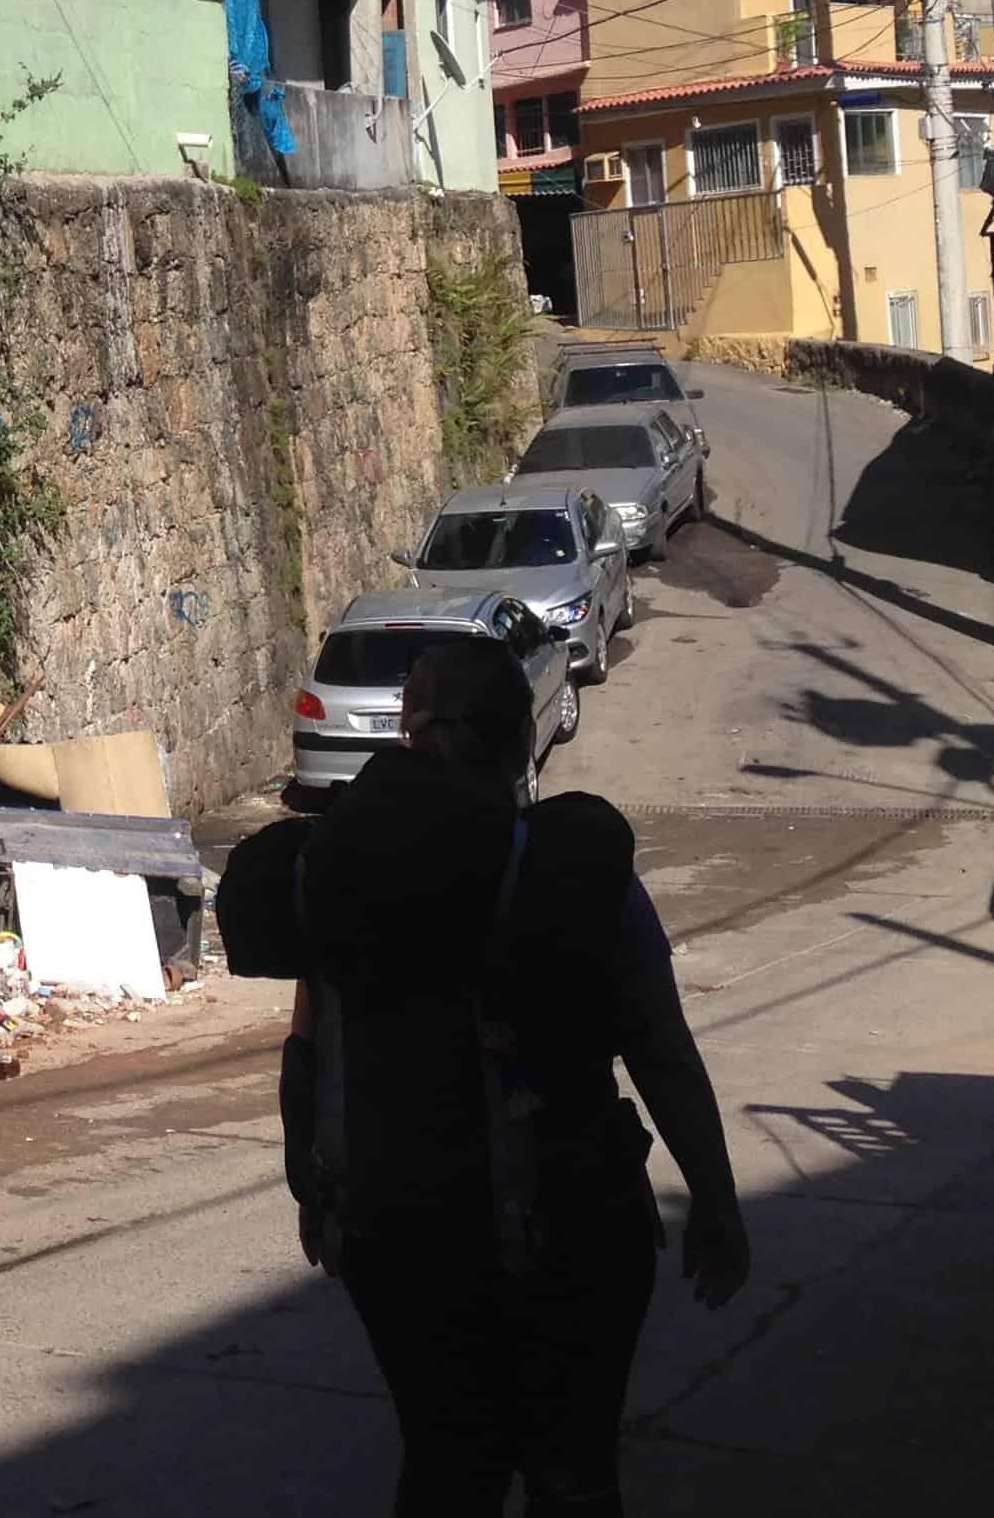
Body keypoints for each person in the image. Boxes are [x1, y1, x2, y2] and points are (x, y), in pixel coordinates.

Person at [281, 635, 749, 1515]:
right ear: (516, 742)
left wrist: (316, 1186)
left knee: (447, 1464)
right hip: (569, 1223)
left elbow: (311, 1044)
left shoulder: (344, 872)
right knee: (572, 1470)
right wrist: (715, 1200)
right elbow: (660, 1048)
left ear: (411, 739)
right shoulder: (575, 868)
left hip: (402, 1235)